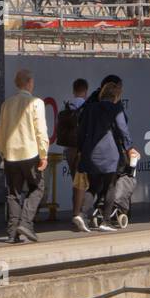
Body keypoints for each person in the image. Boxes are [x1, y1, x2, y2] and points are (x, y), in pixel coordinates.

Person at [0, 69, 48, 244]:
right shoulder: (36, 102)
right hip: (30, 152)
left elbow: (1, 131)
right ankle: (25, 222)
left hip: (10, 154)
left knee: (13, 193)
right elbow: (40, 130)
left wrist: (2, 152)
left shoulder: (6, 104)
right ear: (29, 82)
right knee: (38, 187)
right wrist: (44, 154)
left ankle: (12, 232)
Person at [75, 80, 135, 232]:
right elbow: (123, 130)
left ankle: (82, 214)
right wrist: (129, 148)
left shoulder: (90, 108)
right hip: (109, 153)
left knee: (93, 186)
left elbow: (81, 131)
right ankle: (106, 222)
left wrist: (81, 150)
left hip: (91, 153)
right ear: (116, 96)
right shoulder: (115, 108)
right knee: (110, 186)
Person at [59, 77, 89, 228]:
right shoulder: (87, 107)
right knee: (82, 182)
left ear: (73, 90)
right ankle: (78, 214)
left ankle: (76, 212)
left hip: (68, 149)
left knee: (75, 181)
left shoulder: (68, 106)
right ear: (85, 91)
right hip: (82, 149)